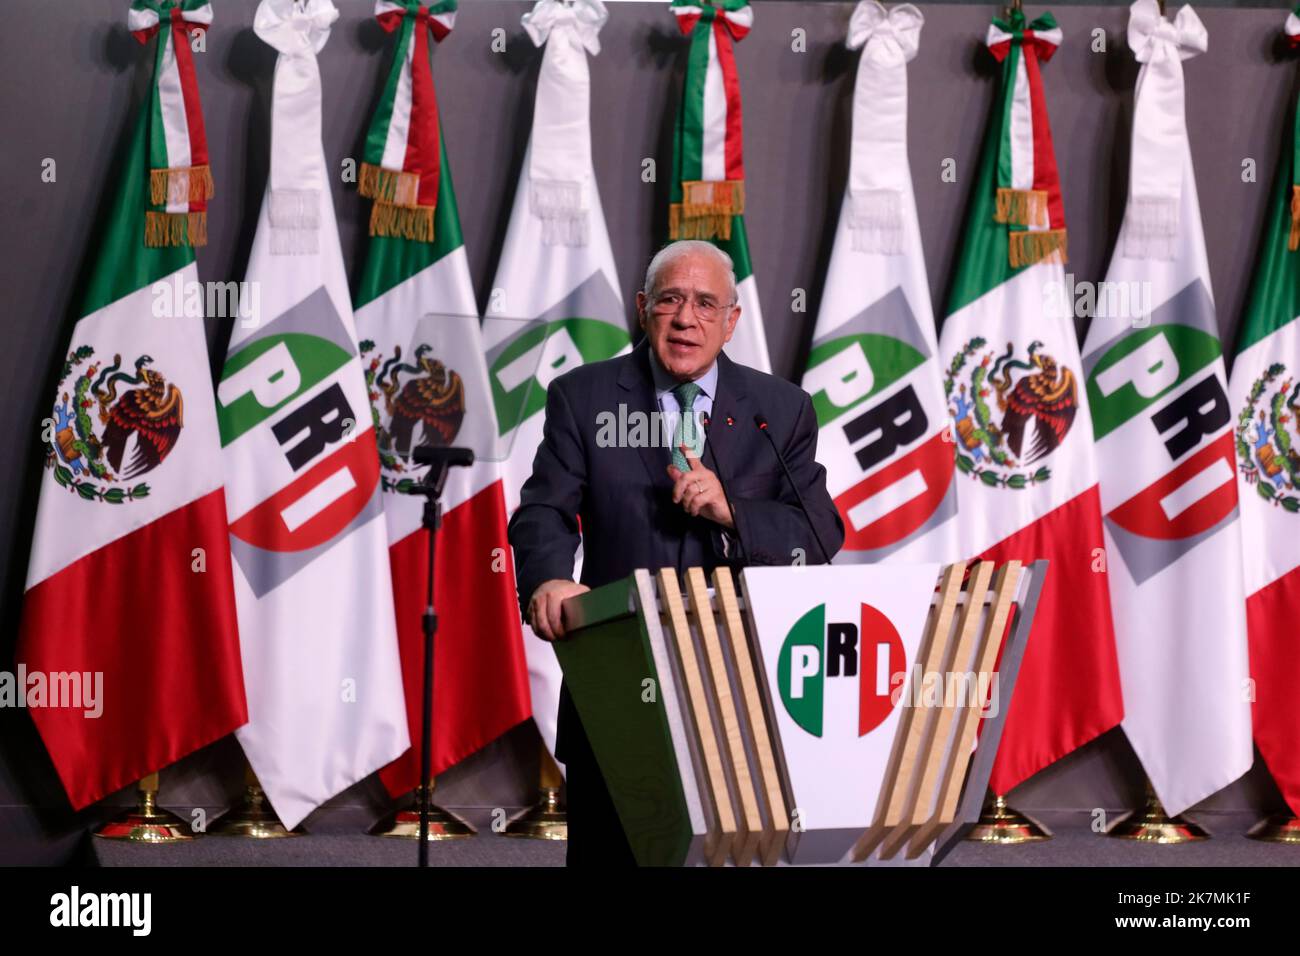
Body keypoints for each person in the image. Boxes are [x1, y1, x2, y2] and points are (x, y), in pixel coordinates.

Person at [507, 239, 845, 865]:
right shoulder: (582, 397)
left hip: (741, 685)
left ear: (731, 321)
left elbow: (819, 536)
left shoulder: (781, 409)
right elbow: (544, 510)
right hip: (619, 670)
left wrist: (733, 513)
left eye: (706, 304)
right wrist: (549, 579)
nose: (687, 318)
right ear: (643, 309)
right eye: (671, 299)